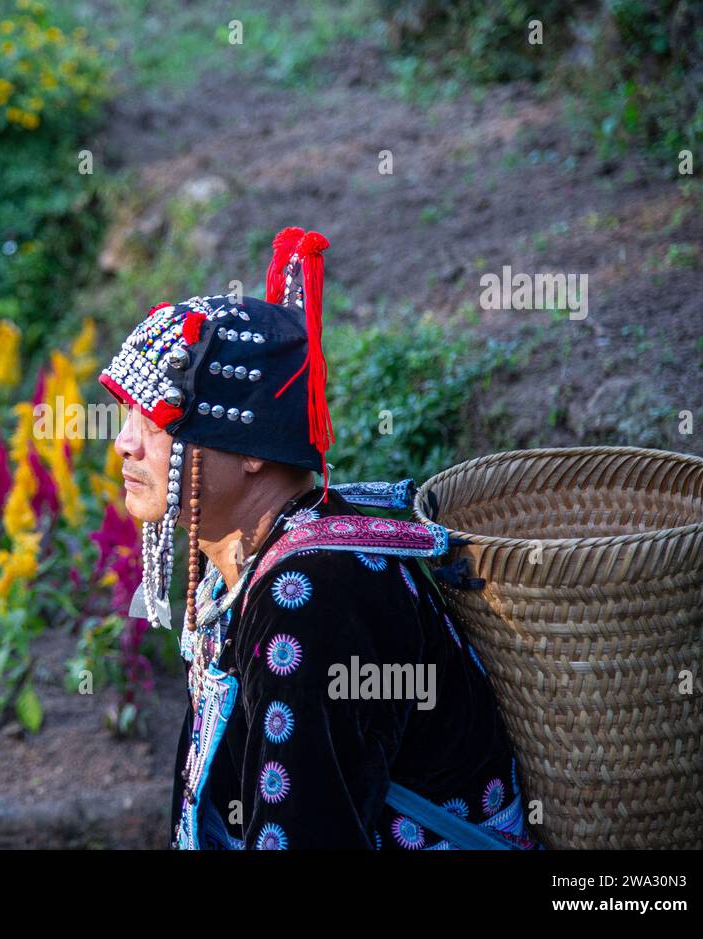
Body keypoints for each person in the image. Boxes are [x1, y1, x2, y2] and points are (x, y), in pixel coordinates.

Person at [98, 227, 542, 850]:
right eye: (126, 415)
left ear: (251, 452)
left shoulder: (307, 596)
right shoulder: (261, 564)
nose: (125, 441)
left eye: (157, 418)